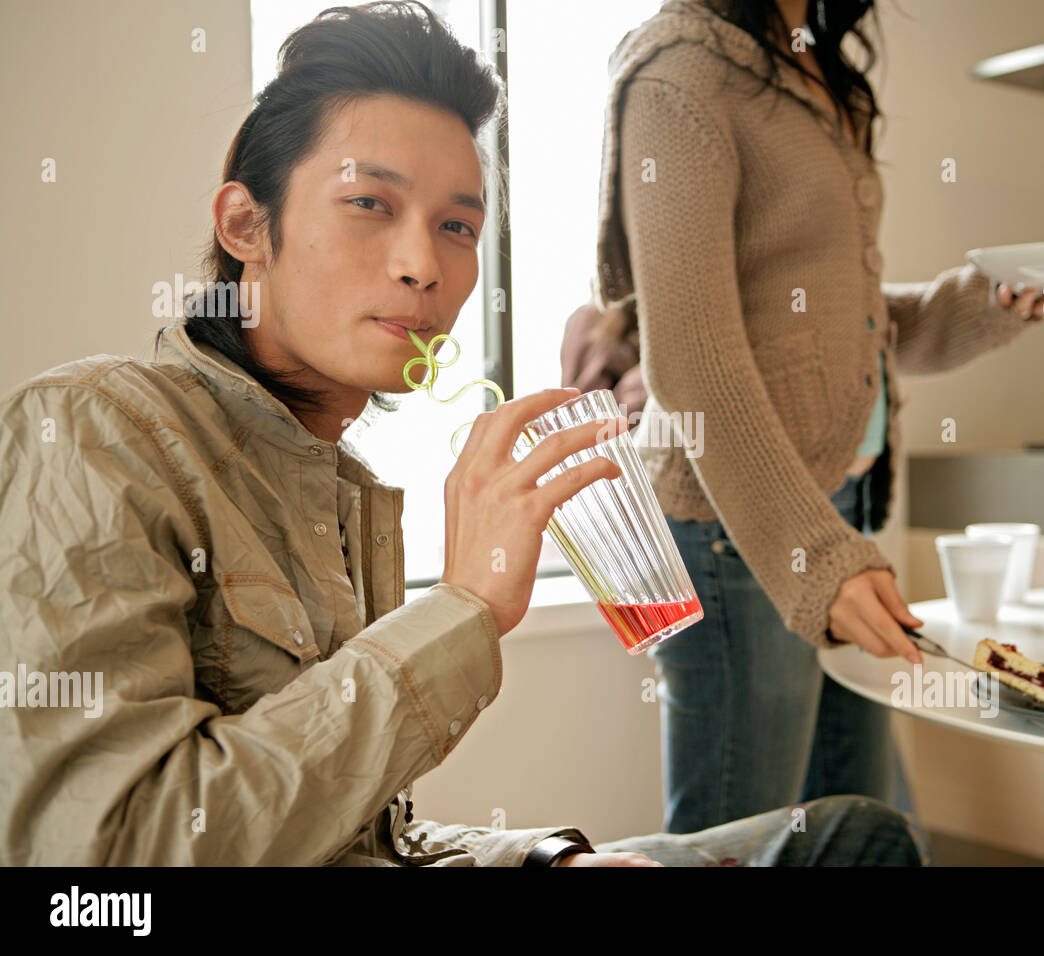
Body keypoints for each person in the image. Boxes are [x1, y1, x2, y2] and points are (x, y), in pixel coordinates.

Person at [0, 0, 921, 867]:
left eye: (456, 225)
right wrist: (465, 608)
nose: (421, 267)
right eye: (370, 204)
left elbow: (364, 841)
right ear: (247, 223)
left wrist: (545, 859)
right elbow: (98, 871)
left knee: (854, 834)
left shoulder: (341, 484)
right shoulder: (93, 428)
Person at [596, 0, 1044, 834]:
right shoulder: (680, 75)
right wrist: (817, 558)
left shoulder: (812, 62)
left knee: (857, 828)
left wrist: (986, 302)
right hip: (742, 530)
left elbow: (848, 326)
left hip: (834, 513)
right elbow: (694, 360)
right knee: (742, 841)